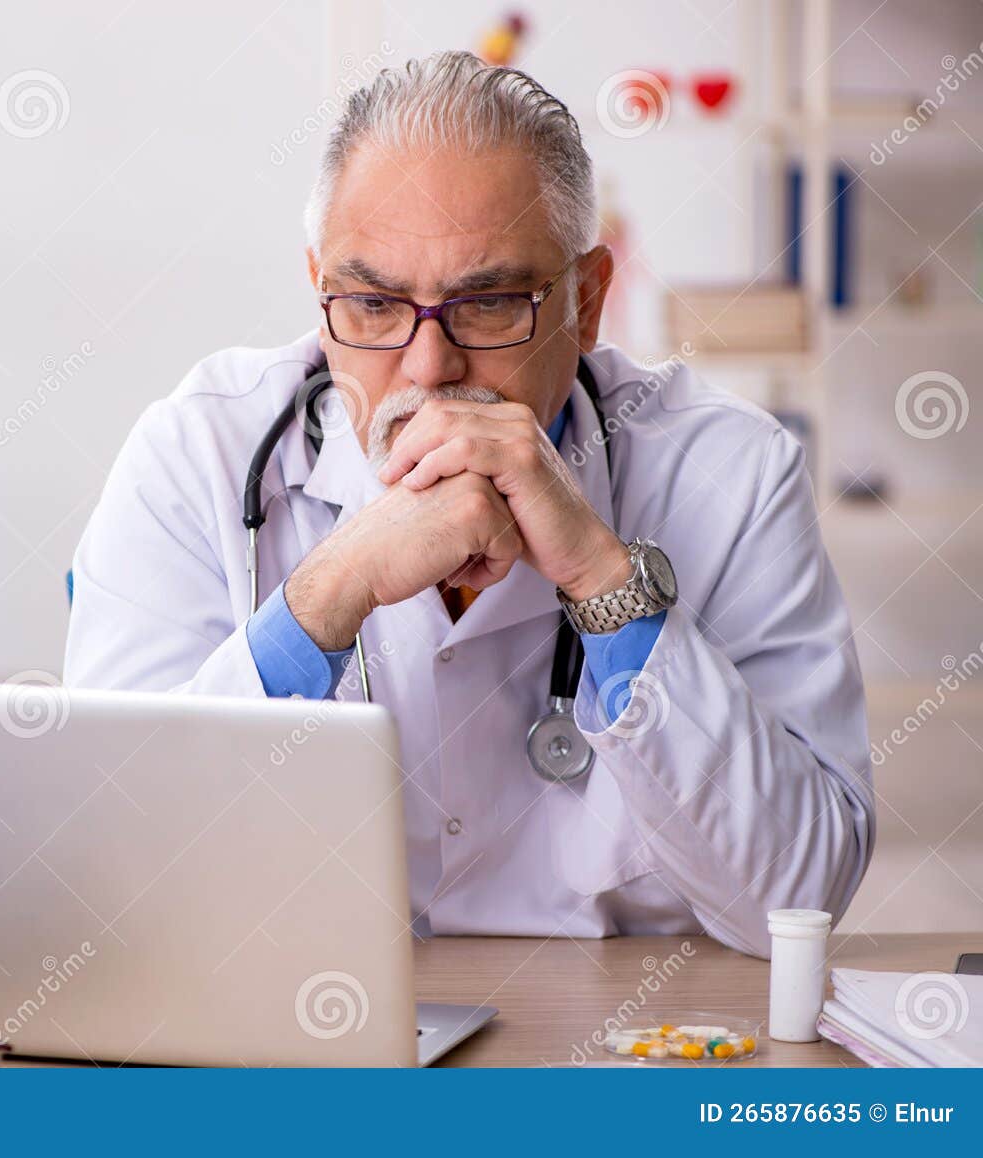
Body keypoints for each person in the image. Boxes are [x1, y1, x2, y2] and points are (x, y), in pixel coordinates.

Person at [63, 51, 872, 958]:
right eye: (371, 304)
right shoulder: (196, 457)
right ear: (319, 285)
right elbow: (111, 877)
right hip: (304, 1048)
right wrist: (328, 593)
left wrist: (605, 583)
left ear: (589, 299)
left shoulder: (730, 473)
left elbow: (800, 901)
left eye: (486, 305)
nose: (427, 367)